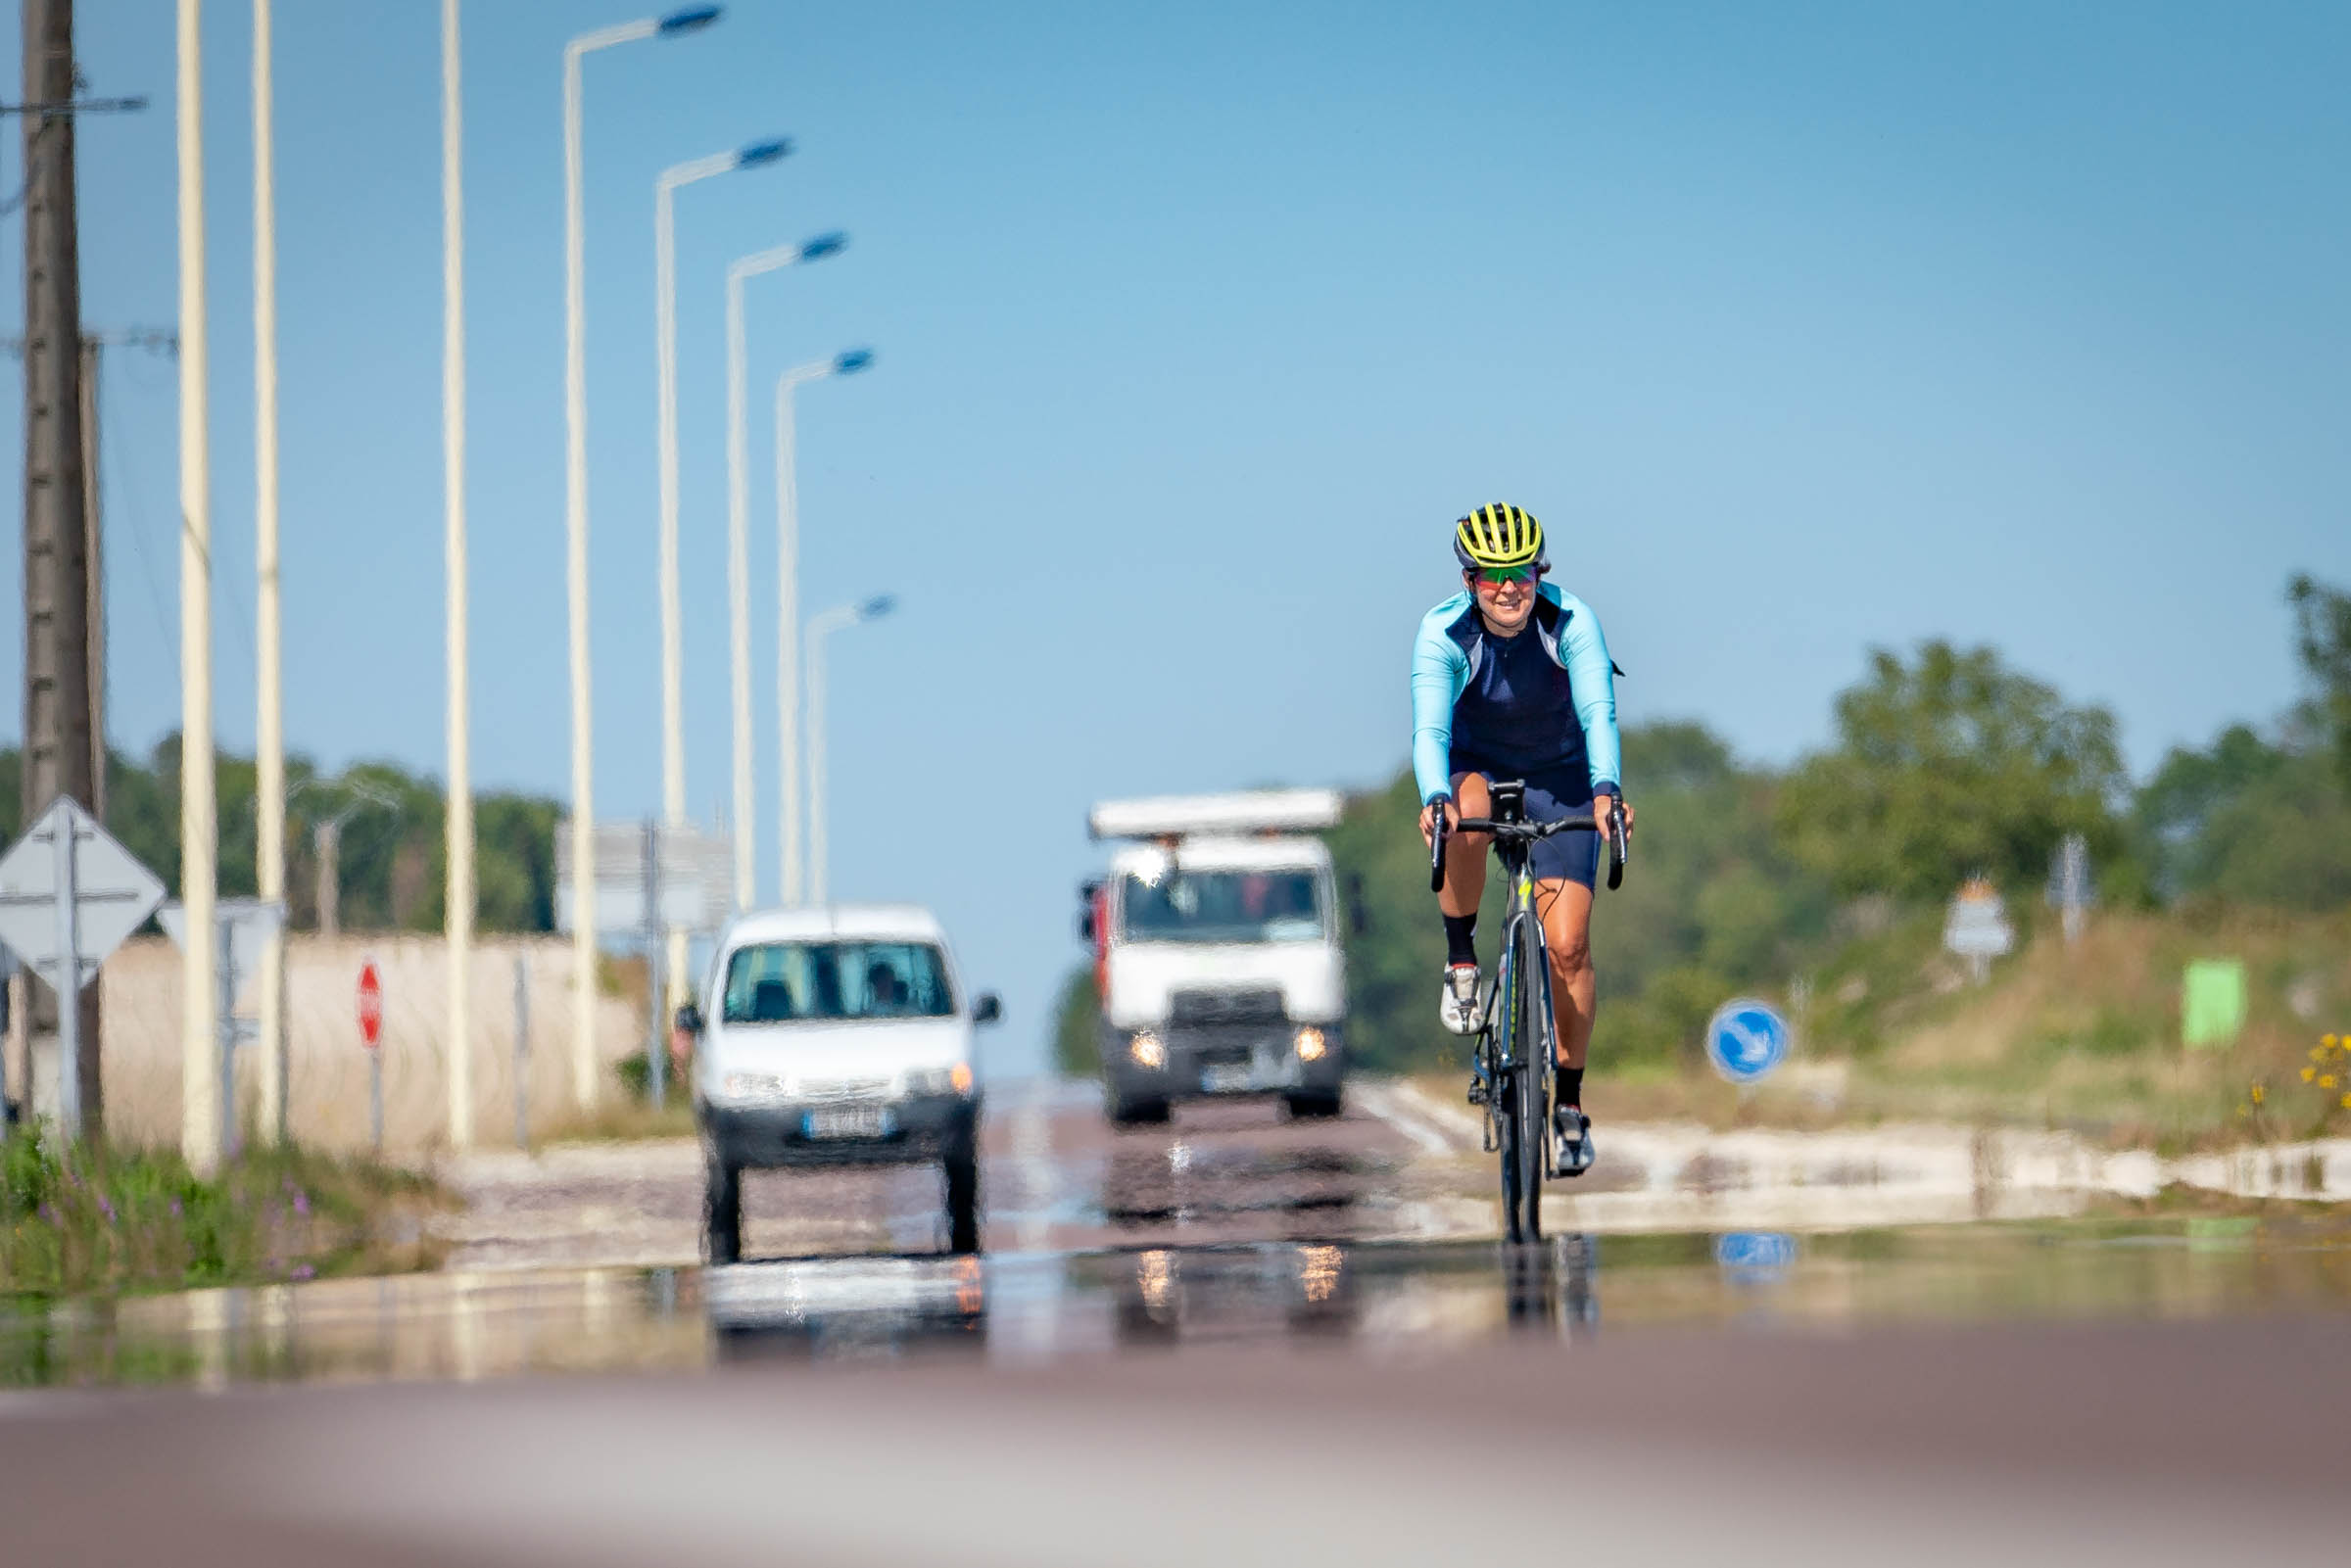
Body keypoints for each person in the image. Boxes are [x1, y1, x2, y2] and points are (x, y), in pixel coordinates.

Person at [1411, 502, 1632, 1174]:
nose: (1509, 588)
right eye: (1492, 576)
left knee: (1568, 946)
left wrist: (1606, 790)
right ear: (1469, 580)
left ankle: (1567, 1101)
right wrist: (1434, 796)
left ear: (1540, 574)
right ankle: (1462, 961)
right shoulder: (1442, 632)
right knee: (1463, 813)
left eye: (1523, 574)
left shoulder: (1572, 622)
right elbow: (1430, 732)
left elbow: (1598, 710)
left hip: (1561, 775)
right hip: (1476, 768)